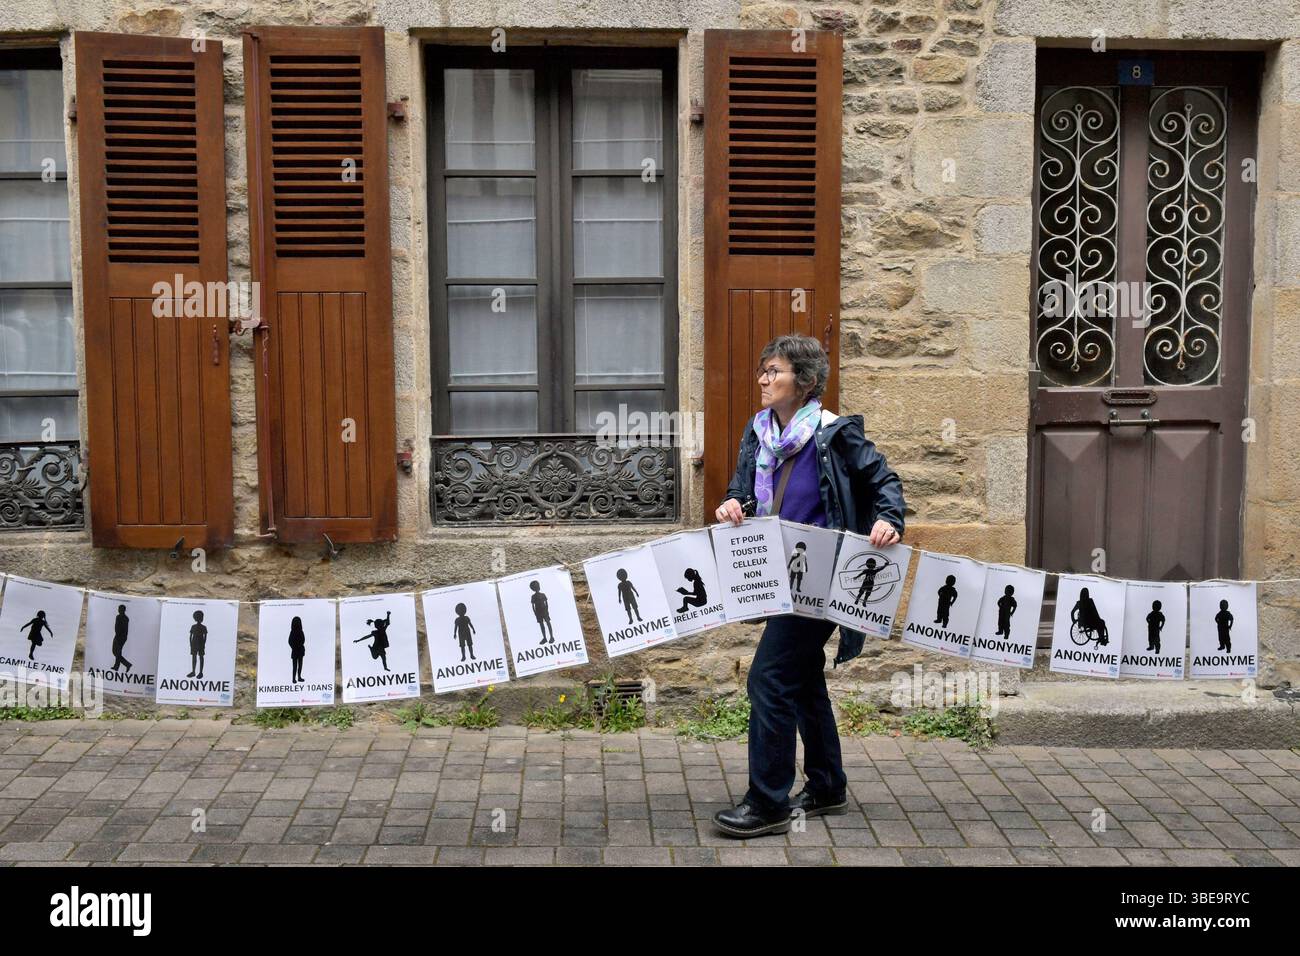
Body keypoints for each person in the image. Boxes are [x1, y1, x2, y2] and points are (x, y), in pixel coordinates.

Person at [712, 334, 906, 838]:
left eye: (773, 371)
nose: (762, 379)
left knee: (768, 680)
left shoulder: (834, 434)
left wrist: (889, 517)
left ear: (805, 382)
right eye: (762, 370)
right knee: (801, 679)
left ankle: (769, 802)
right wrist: (733, 506)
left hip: (821, 576)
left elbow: (885, 481)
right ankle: (826, 785)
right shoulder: (757, 434)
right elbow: (742, 493)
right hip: (774, 575)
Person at [111, 605, 133, 673]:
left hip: (120, 637)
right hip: (118, 636)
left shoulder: (124, 618)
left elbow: (121, 629)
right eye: (118, 609)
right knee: (117, 652)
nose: (119, 610)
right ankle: (122, 665)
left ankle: (124, 665)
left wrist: (118, 636)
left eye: (120, 609)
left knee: (116, 652)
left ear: (123, 610)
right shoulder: (120, 617)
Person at [187, 610, 207, 679]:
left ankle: (200, 672)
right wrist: (191, 644)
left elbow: (205, 636)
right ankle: (193, 672)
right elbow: (190, 636)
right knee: (194, 657)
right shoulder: (193, 626)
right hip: (194, 643)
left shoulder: (203, 627)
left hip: (200, 643)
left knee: (200, 657)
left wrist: (203, 644)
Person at [288, 615, 306, 683]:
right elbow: (290, 641)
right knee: (297, 665)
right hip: (297, 650)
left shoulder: (297, 631)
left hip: (298, 650)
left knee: (297, 665)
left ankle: (298, 677)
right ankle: (295, 678)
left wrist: (294, 646)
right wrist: (295, 646)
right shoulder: (294, 632)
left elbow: (290, 641)